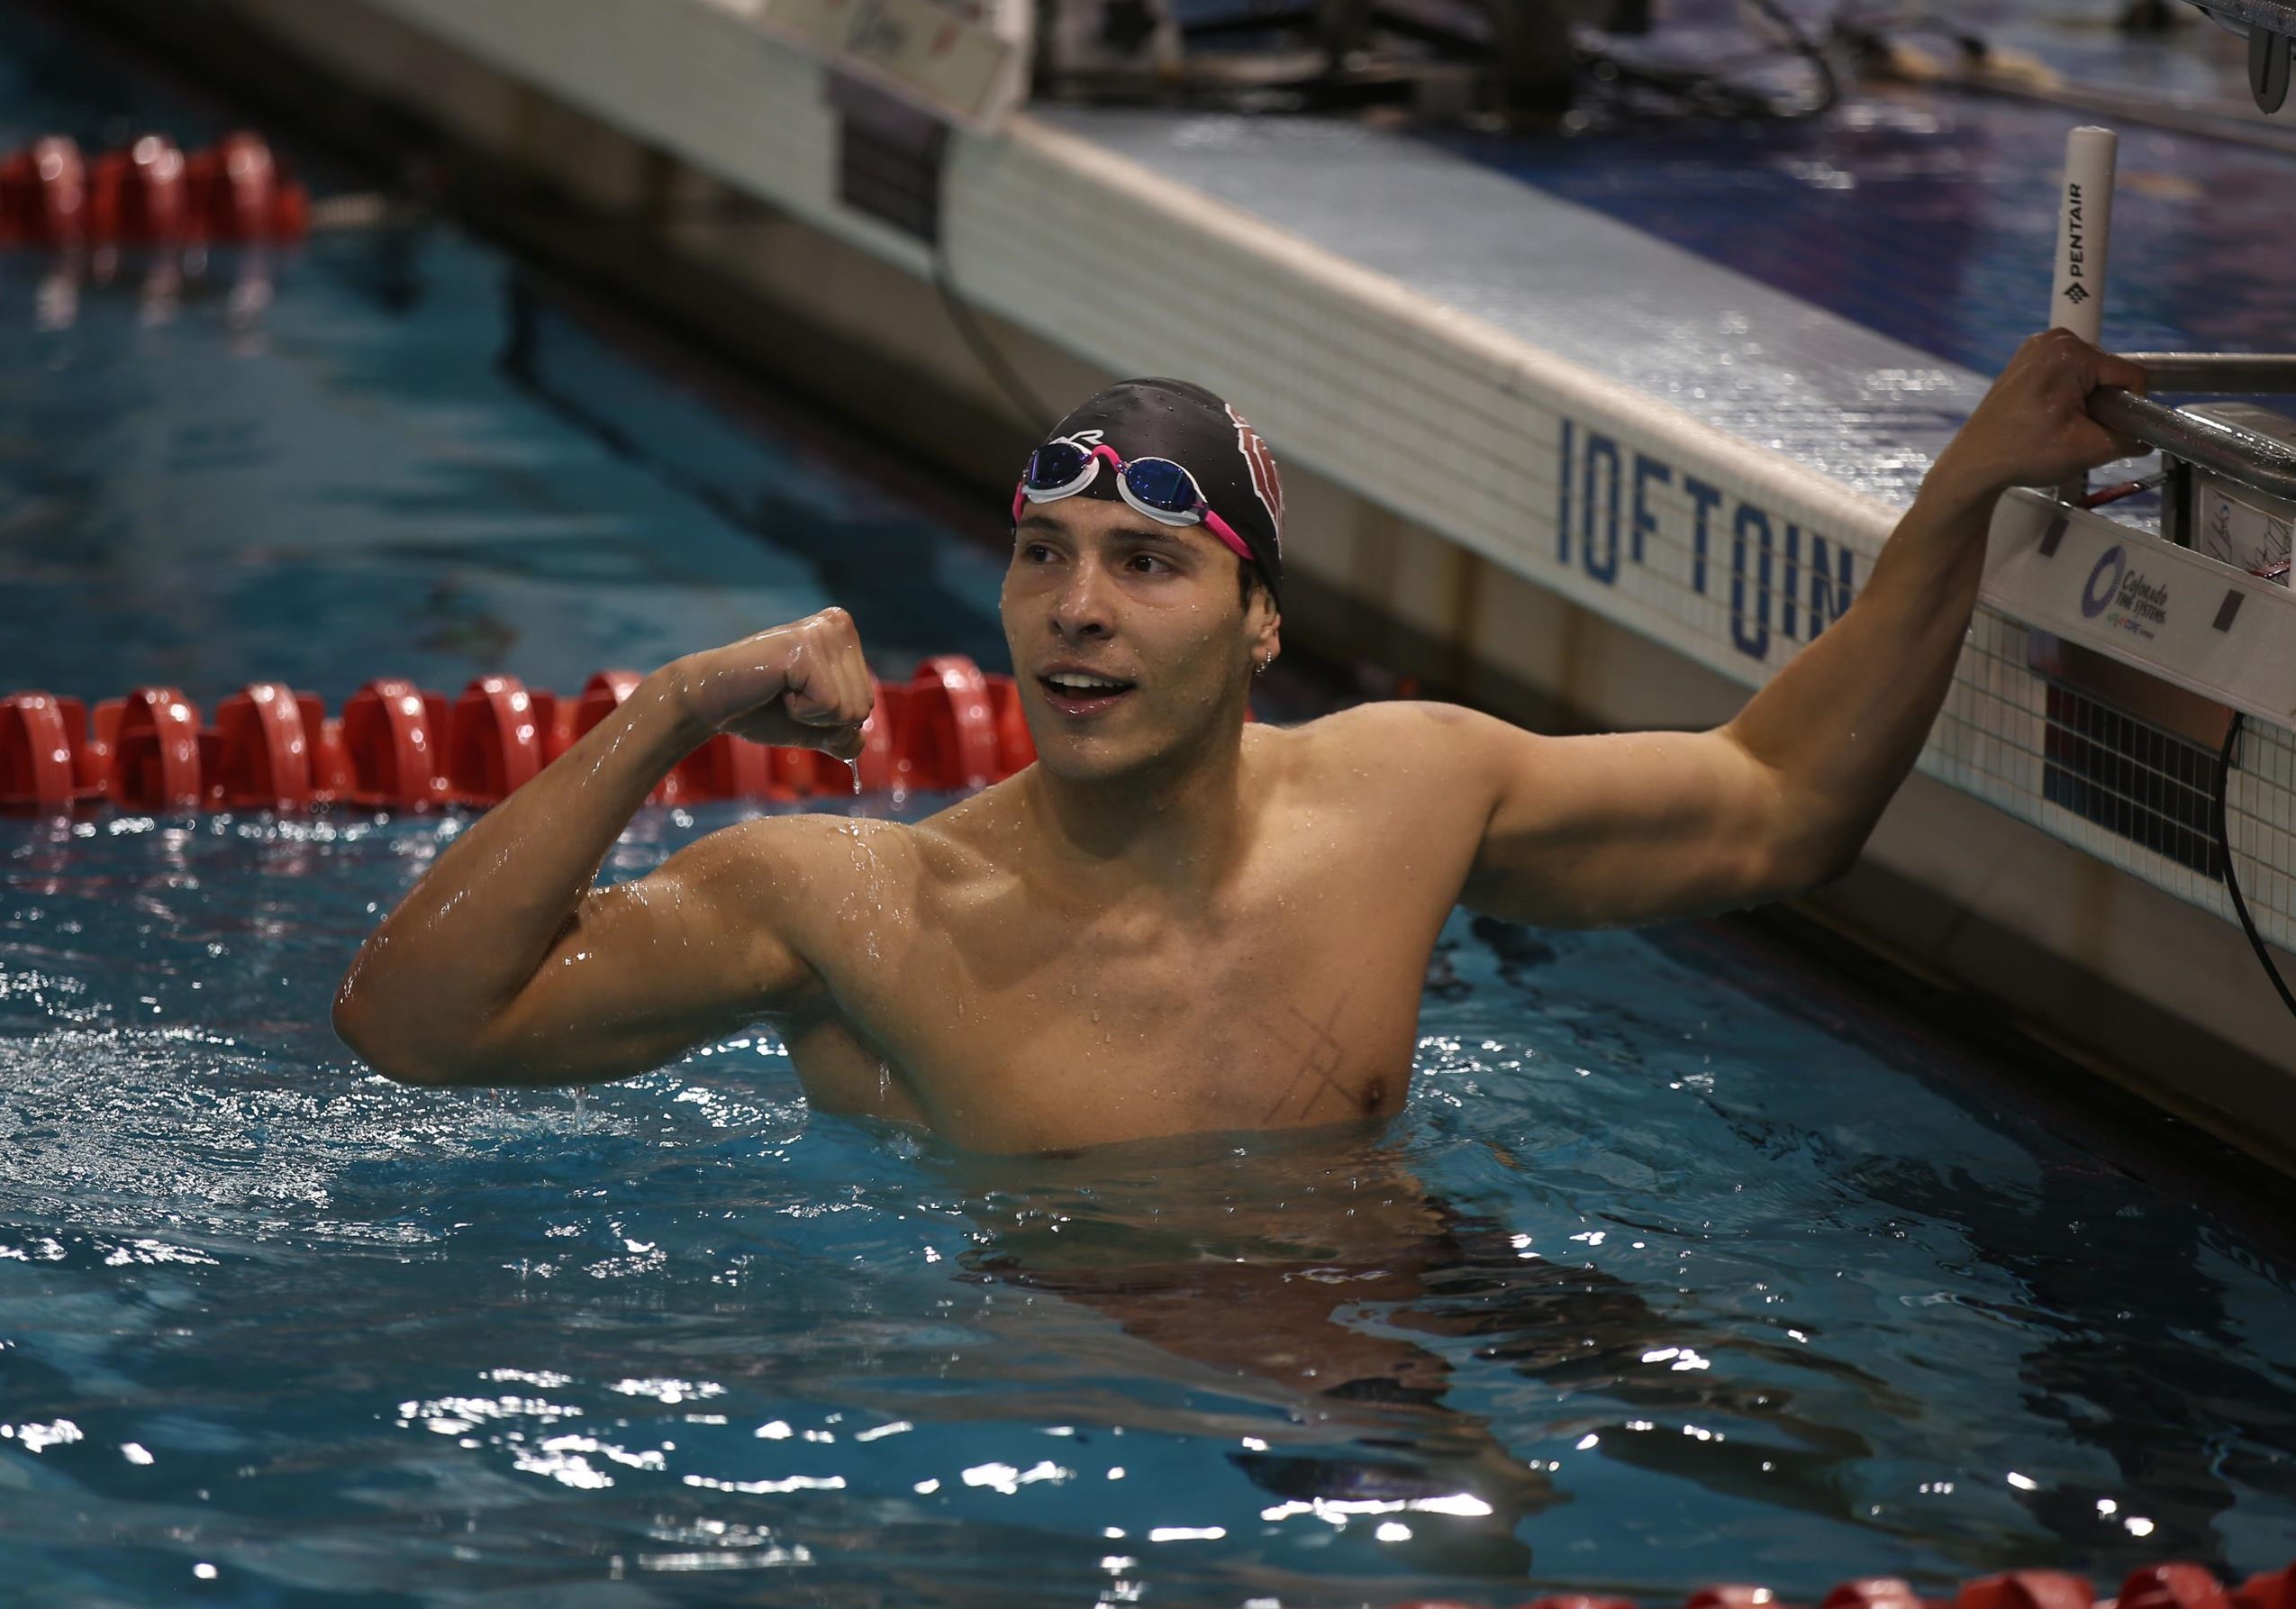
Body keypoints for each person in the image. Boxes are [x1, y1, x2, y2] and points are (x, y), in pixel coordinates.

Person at [333, 334, 2147, 1156]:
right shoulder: (853, 903)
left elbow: (1779, 806)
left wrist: (1964, 497)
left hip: (1430, 1330)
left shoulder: (1406, 789)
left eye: (1145, 562)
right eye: (1041, 556)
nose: (1074, 609)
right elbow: (415, 1026)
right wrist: (668, 707)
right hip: (1103, 1418)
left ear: (1261, 618)